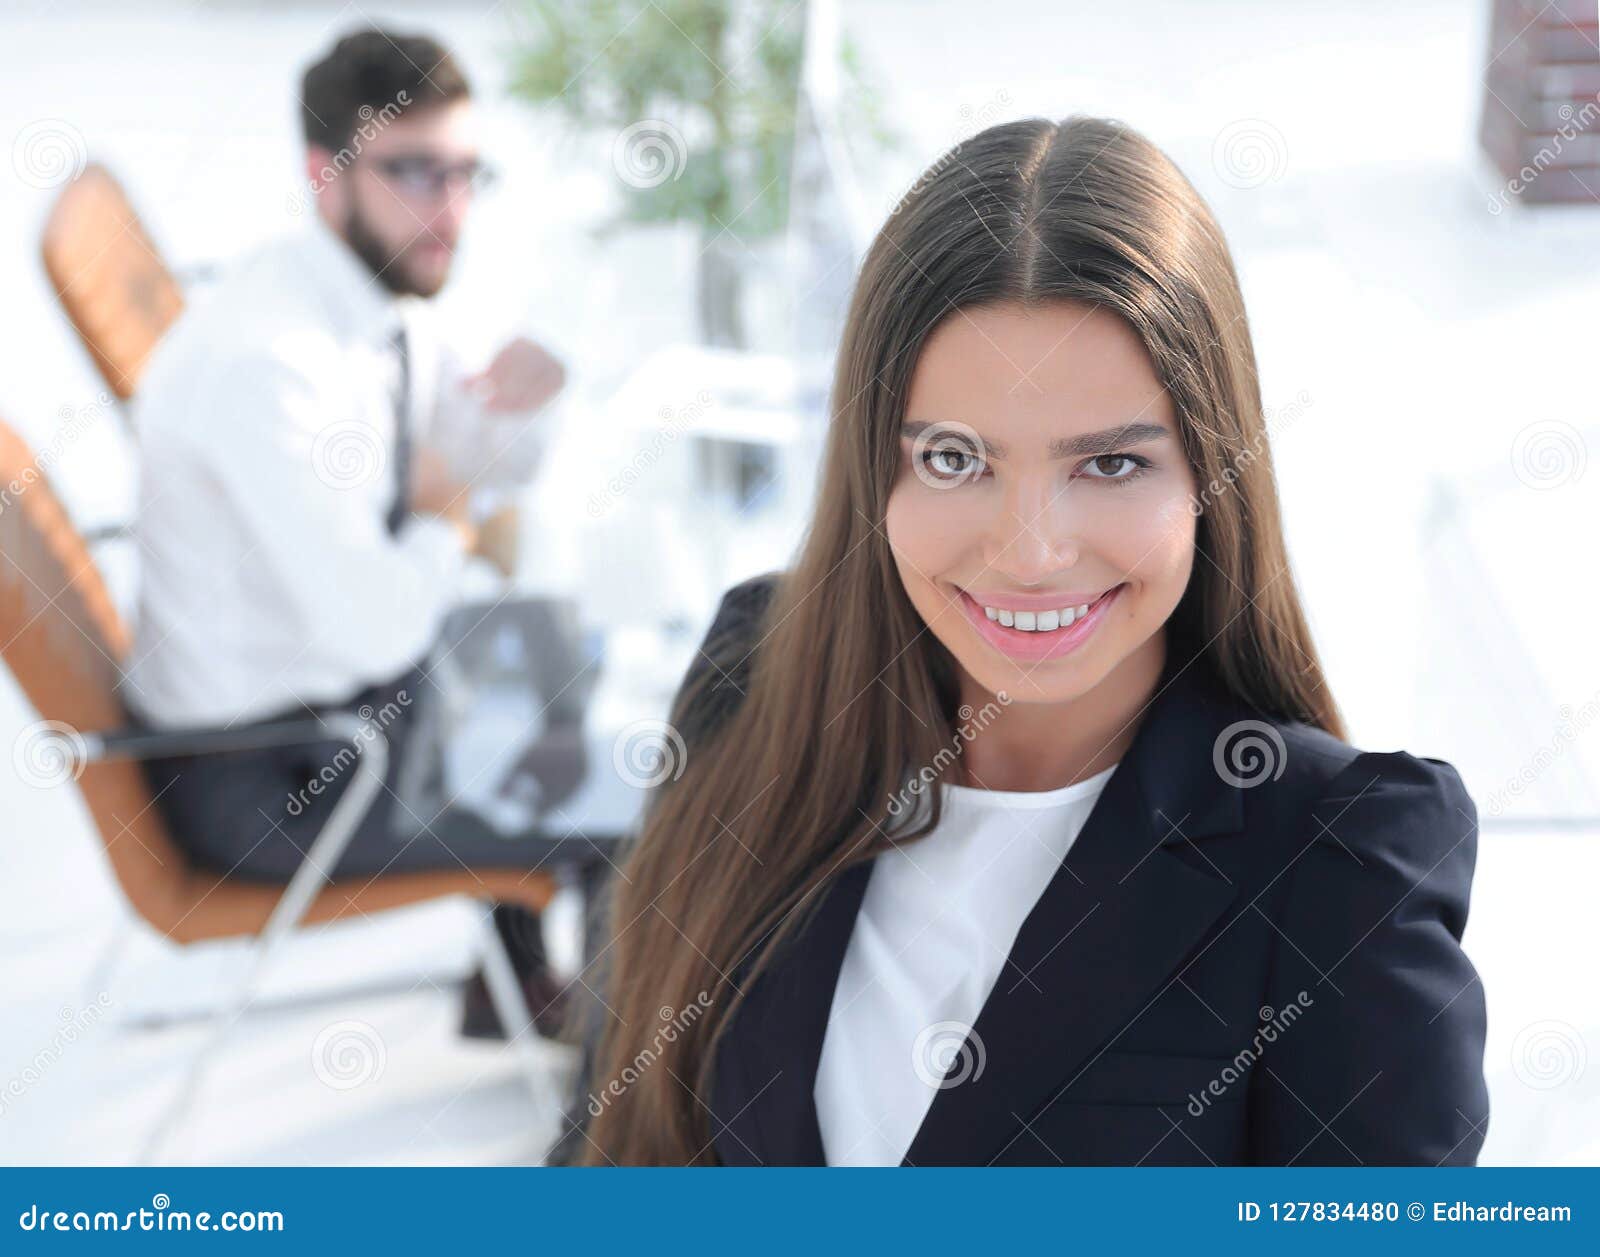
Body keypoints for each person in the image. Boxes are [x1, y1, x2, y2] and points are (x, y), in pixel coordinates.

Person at [567, 116, 1489, 1165]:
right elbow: (614, 1138)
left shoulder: (1337, 867)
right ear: (876, 468)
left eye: (1109, 464)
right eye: (957, 458)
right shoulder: (754, 681)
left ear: (1209, 480)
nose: (1031, 551)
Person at [122, 25, 590, 1039]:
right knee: (630, 805)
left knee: (557, 659)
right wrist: (437, 511)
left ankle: (513, 992)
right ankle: (618, 1136)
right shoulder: (270, 363)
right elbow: (381, 624)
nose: (451, 209)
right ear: (322, 173)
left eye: (468, 173)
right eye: (416, 172)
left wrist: (530, 398)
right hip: (272, 781)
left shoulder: (365, 302)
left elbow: (479, 455)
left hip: (334, 713)